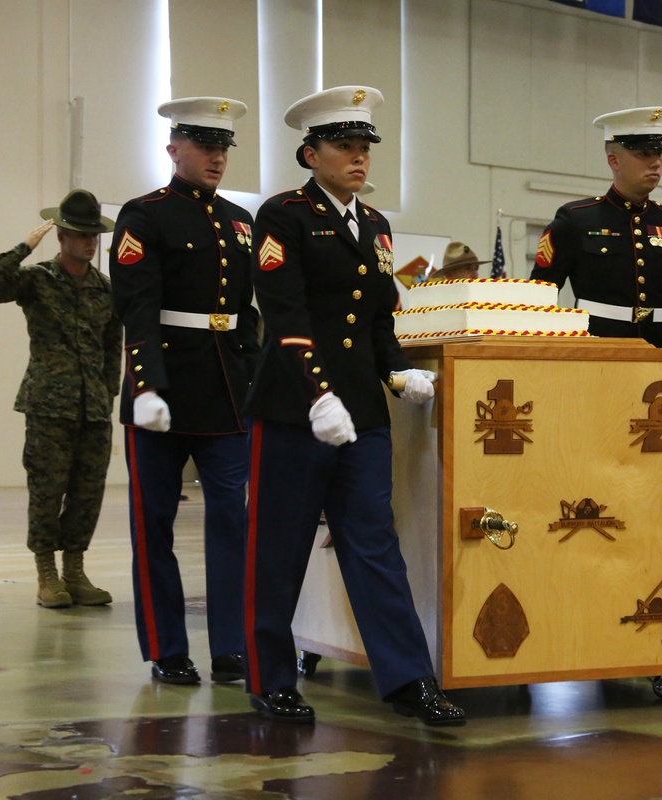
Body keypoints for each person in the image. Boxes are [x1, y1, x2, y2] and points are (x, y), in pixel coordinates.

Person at [243, 85, 465, 727]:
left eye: (365, 145)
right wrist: (319, 395)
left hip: (362, 416)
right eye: (345, 145)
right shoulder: (282, 216)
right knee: (279, 549)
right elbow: (283, 316)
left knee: (374, 545)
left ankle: (407, 680)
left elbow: (375, 319)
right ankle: (270, 678)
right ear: (311, 153)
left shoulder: (375, 225)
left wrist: (398, 370)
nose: (359, 157)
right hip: (296, 411)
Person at [109, 97, 261, 686]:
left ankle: (230, 644)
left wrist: (253, 376)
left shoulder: (241, 223)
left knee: (232, 520)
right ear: (174, 149)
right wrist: (146, 385)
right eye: (204, 145)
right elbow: (137, 306)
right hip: (163, 390)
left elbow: (247, 314)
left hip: (226, 388)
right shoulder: (144, 215)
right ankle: (168, 648)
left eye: (223, 147)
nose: (217, 157)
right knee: (155, 523)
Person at [0, 190, 120, 609]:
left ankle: (74, 571)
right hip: (47, 406)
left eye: (94, 234)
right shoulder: (36, 280)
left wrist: (107, 393)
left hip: (93, 408)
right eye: (80, 234)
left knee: (87, 493)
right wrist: (22, 248)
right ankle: (47, 575)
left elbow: (113, 347)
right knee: (47, 490)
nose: (90, 242)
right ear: (61, 235)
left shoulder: (105, 290)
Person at [530, 106, 662, 347]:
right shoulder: (577, 220)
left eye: (659, 154)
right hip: (598, 344)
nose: (655, 163)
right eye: (644, 154)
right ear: (614, 160)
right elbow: (541, 294)